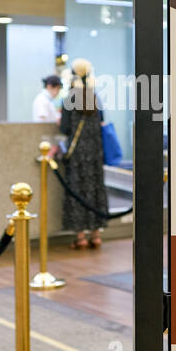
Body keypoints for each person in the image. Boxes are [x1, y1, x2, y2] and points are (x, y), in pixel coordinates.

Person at [56, 58, 109, 249]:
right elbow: (101, 121)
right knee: (95, 188)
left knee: (77, 190)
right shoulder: (95, 97)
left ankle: (80, 237)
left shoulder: (69, 98)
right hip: (95, 151)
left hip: (77, 154)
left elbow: (64, 128)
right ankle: (96, 235)